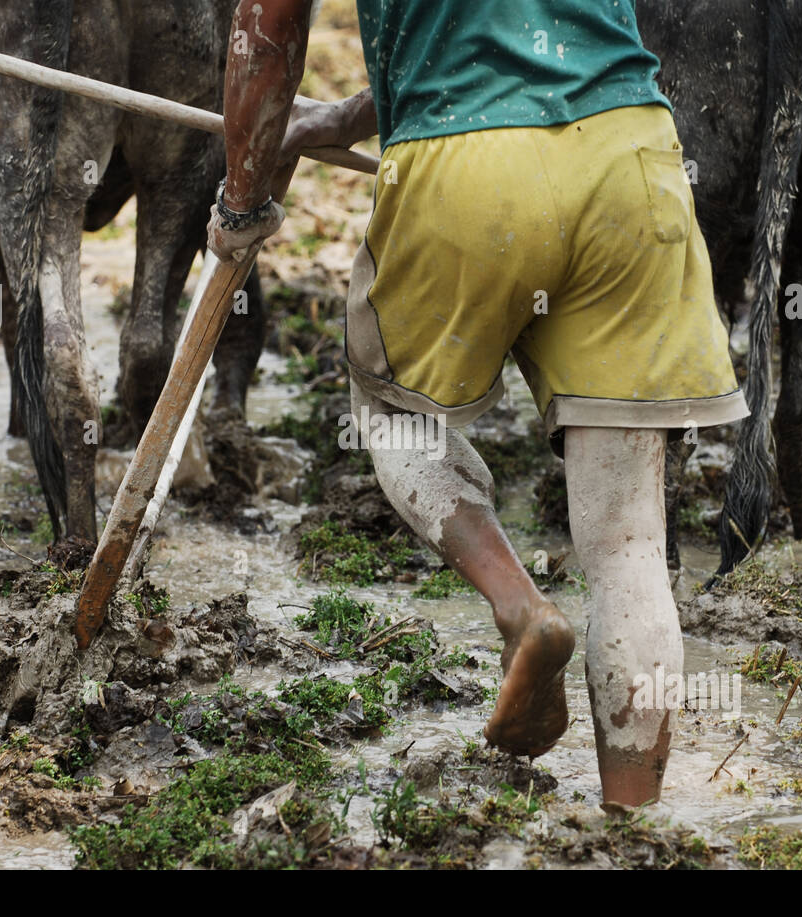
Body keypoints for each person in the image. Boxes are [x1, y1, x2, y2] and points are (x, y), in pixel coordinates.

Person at [206, 0, 748, 807]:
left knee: (395, 413)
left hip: (467, 166)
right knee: (630, 548)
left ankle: (520, 606)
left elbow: (266, 36)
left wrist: (244, 206)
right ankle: (631, 829)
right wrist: (359, 111)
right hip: (632, 159)